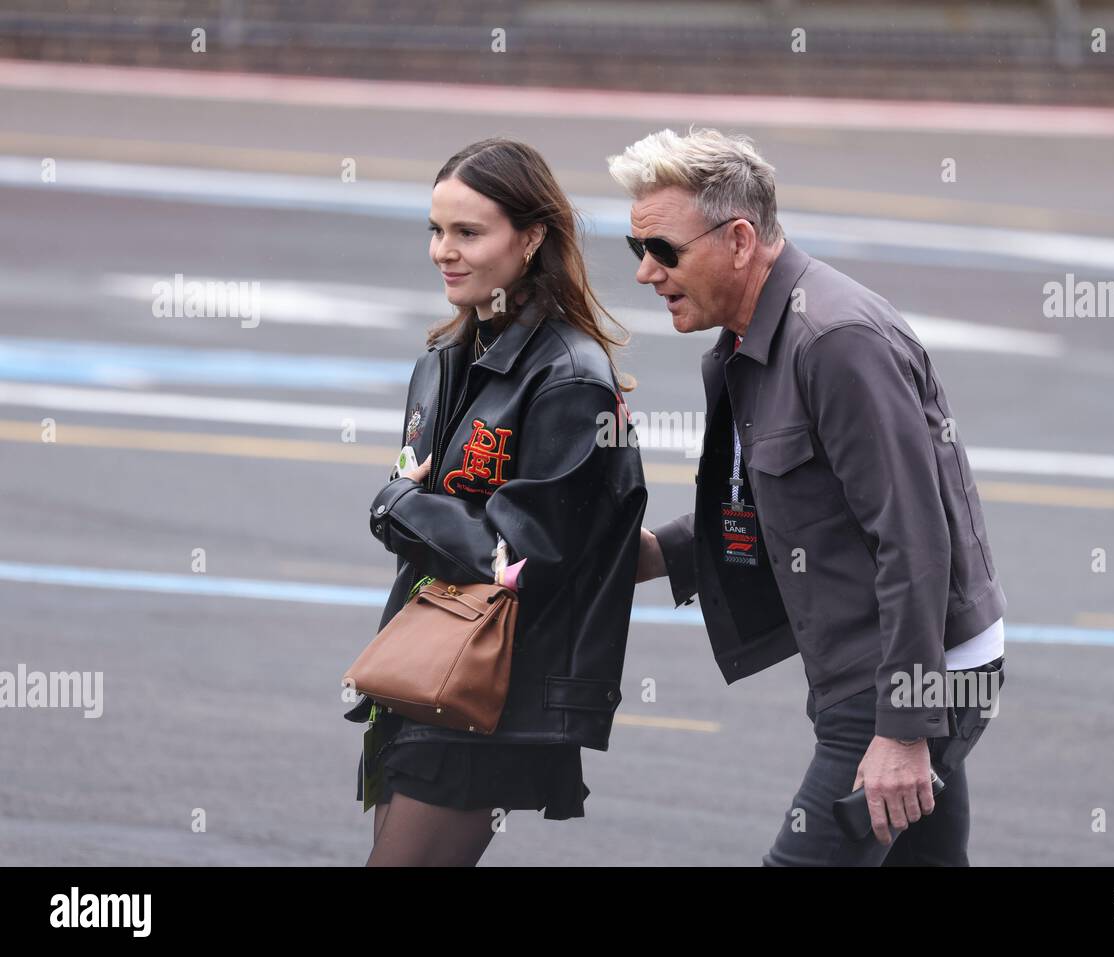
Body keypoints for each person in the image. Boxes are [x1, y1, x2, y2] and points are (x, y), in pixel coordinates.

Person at [609, 127, 1008, 866]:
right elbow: (769, 507)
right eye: (636, 249)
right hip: (887, 663)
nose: (645, 272)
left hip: (910, 673)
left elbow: (915, 539)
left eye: (662, 250)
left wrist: (905, 727)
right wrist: (650, 556)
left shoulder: (833, 340)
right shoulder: (753, 340)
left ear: (737, 239)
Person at [346, 137, 647, 866]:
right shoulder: (444, 361)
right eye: (437, 230)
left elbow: (522, 554)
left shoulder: (570, 378)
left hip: (488, 690)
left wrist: (397, 506)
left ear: (532, 236)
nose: (443, 251)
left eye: (468, 232)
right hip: (421, 673)